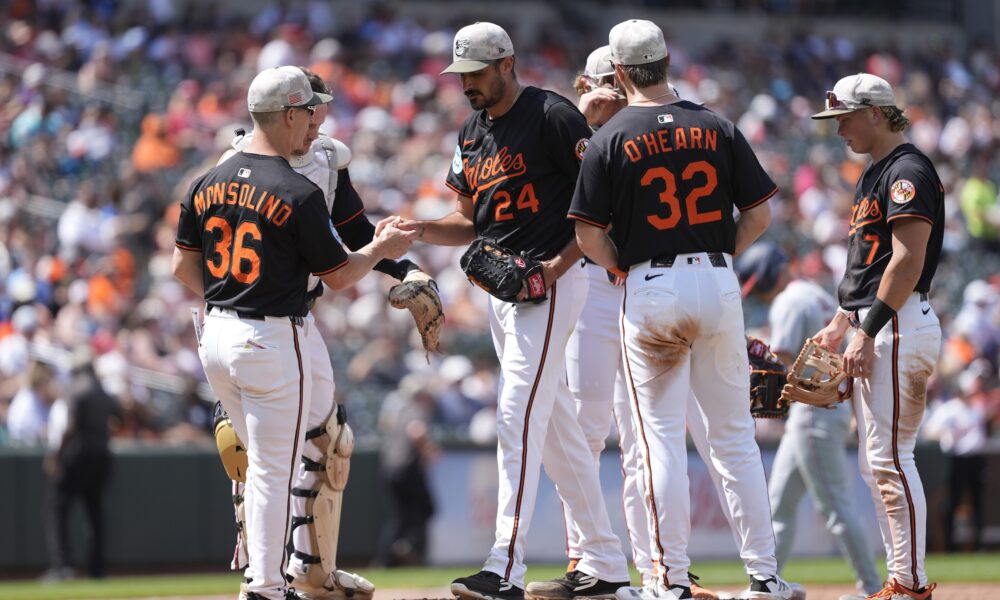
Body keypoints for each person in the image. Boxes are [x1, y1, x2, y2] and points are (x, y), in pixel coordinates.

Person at [380, 21, 630, 600]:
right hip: (502, 292)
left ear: (506, 64)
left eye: (475, 72)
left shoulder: (552, 115)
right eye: (460, 74)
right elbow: (468, 220)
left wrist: (556, 269)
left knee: (516, 416)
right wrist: (417, 229)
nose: (466, 83)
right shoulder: (471, 131)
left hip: (550, 286)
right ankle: (605, 560)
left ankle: (504, 566)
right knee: (559, 432)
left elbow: (602, 206)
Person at [571, 19, 800, 600]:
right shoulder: (717, 125)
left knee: (659, 441)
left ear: (619, 72)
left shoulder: (611, 135)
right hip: (718, 280)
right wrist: (718, 256)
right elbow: (759, 215)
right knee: (735, 438)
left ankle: (669, 579)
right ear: (666, 62)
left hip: (651, 283)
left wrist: (625, 266)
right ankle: (765, 576)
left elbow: (588, 235)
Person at [173, 65, 414, 600]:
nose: (313, 122)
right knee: (273, 471)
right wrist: (381, 250)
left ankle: (306, 570)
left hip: (216, 334)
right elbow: (341, 275)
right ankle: (265, 585)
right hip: (273, 336)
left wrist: (231, 298)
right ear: (287, 114)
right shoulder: (297, 190)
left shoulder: (206, 180)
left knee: (299, 450)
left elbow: (181, 267)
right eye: (307, 112)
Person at [567, 45, 731, 600]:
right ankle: (586, 561)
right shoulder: (575, 129)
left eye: (616, 83)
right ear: (588, 83)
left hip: (645, 284)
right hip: (595, 283)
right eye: (601, 84)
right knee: (587, 431)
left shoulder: (649, 128)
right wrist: (586, 124)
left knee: (649, 440)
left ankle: (660, 568)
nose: (612, 93)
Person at [810, 72, 945, 600]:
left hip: (898, 321)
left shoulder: (907, 170)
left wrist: (865, 330)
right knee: (877, 463)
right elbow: (868, 266)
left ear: (874, 112)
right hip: (881, 319)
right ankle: (899, 578)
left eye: (844, 117)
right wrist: (842, 320)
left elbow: (907, 261)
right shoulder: (873, 173)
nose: (838, 128)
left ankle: (909, 583)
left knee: (891, 458)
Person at [734, 243, 882, 599]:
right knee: (779, 504)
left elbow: (778, 362)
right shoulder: (813, 293)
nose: (759, 294)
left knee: (836, 507)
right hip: (823, 407)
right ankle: (767, 584)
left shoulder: (789, 300)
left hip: (814, 413)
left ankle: (872, 589)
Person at [43, 351, 122, 581]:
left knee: (56, 510)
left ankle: (62, 566)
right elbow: (120, 419)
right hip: (101, 455)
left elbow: (70, 427)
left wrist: (56, 455)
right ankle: (96, 569)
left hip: (77, 456)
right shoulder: (104, 393)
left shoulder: (75, 390)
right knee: (94, 513)